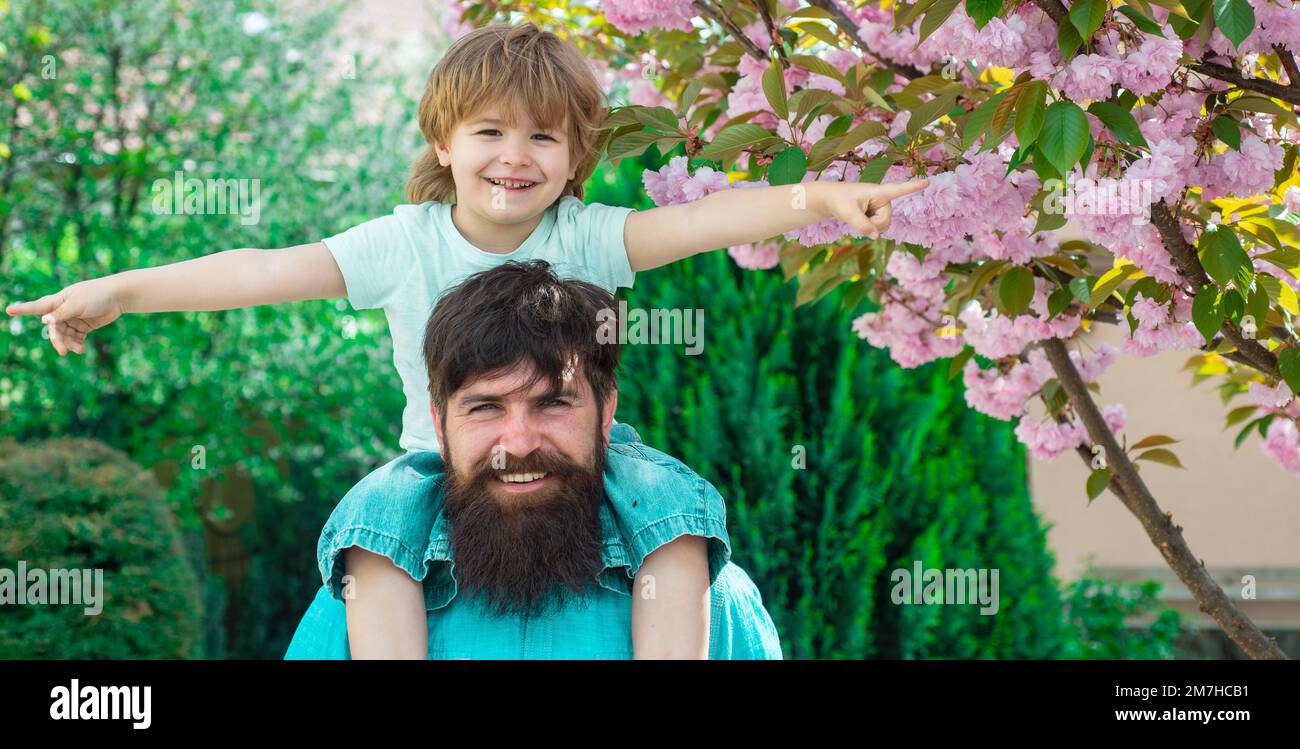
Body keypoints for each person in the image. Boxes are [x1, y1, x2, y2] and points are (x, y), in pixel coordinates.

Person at [5, 22, 926, 658]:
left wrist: (819, 197)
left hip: (586, 454)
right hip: (435, 462)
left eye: (543, 138)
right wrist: (120, 290)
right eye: (489, 132)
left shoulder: (588, 235)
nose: (515, 156)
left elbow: (706, 220)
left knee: (679, 521)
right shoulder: (401, 243)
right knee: (373, 540)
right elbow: (260, 269)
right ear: (444, 143)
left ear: (575, 157)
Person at [286, 260, 782, 659]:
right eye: (485, 407)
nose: (519, 443)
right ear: (439, 424)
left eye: (553, 403)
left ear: (606, 413)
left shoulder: (711, 603)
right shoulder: (357, 603)